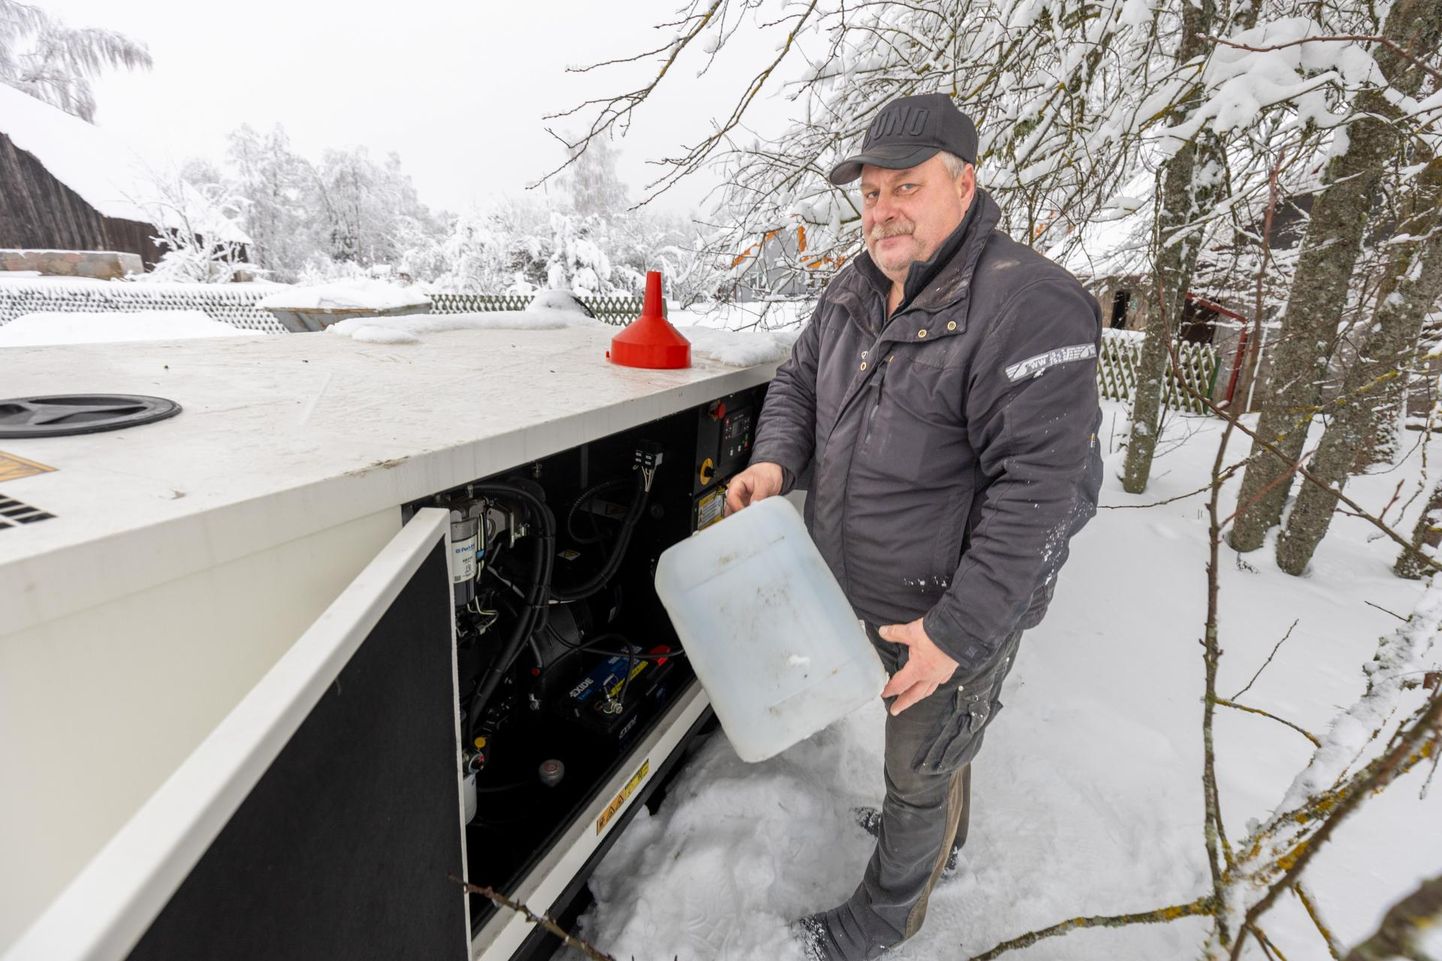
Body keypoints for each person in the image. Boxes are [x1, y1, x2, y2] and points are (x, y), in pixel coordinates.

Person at [723, 92, 1104, 961]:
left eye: (906, 186)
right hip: (881, 595)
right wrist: (777, 462)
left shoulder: (1029, 303)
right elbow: (796, 385)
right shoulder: (855, 290)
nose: (883, 208)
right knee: (931, 762)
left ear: (964, 184)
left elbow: (1043, 494)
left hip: (948, 611)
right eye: (869, 193)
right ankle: (939, 836)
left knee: (918, 771)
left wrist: (954, 634)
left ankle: (878, 924)